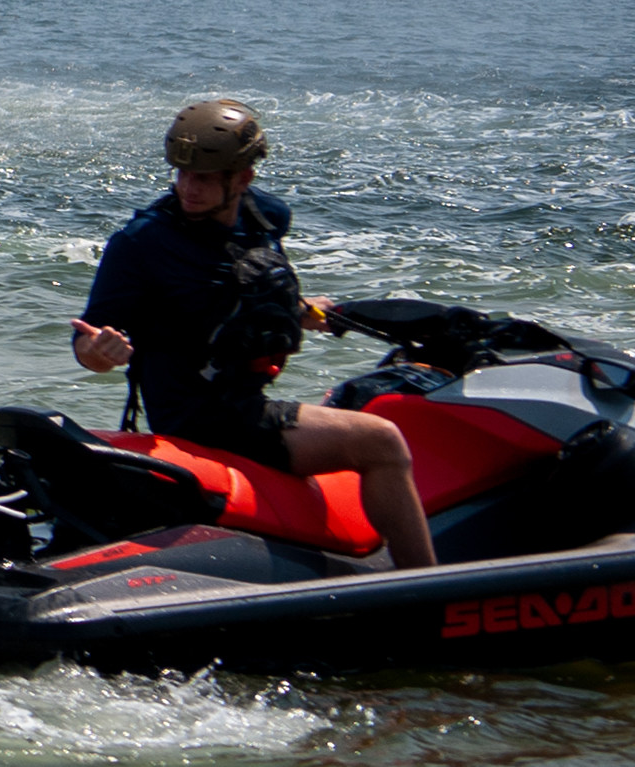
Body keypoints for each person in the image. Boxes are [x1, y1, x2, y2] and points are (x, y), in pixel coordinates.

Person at [72, 99, 436, 569]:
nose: (188, 188)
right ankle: (427, 590)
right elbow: (87, 346)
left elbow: (246, 289)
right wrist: (102, 351)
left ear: (242, 177)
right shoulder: (141, 243)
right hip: (202, 417)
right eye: (181, 174)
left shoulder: (265, 218)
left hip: (246, 400)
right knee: (382, 440)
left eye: (203, 177)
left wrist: (297, 311)